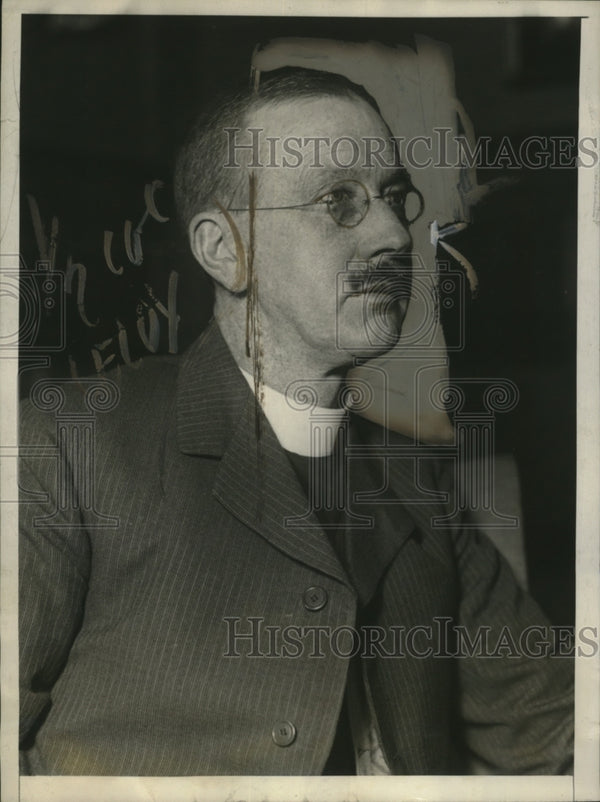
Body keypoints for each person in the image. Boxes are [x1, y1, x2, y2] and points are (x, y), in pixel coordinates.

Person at [19, 66, 573, 776]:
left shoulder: (417, 483)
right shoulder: (70, 443)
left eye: (394, 199)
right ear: (226, 250)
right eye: (337, 201)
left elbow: (555, 728)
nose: (395, 236)